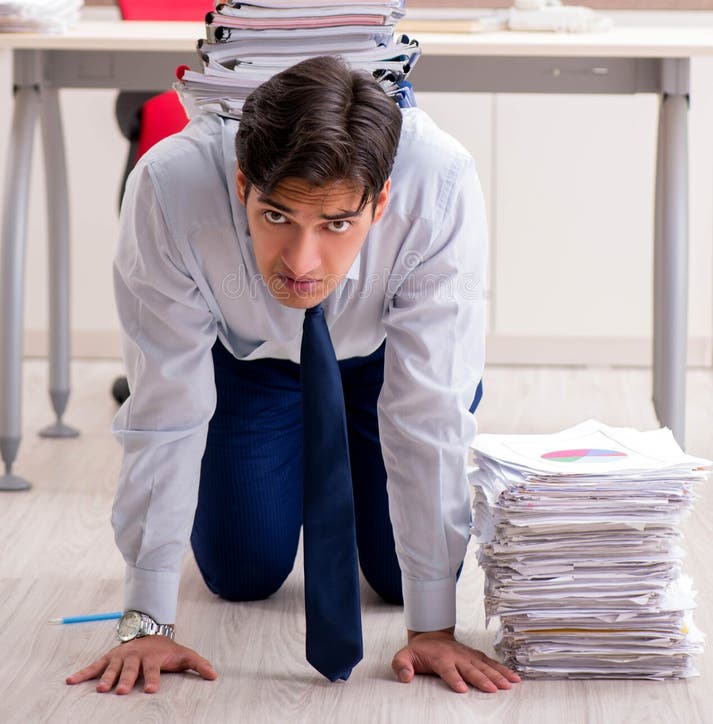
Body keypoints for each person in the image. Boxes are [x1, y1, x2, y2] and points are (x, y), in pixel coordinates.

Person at [67, 56, 520, 696]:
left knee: (401, 581)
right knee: (240, 572)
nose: (303, 262)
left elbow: (431, 411)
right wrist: (148, 617)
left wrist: (435, 627)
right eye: (277, 216)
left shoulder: (438, 183)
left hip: (386, 359)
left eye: (337, 224)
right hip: (252, 365)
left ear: (380, 201)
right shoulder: (169, 189)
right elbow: (163, 406)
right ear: (243, 184)